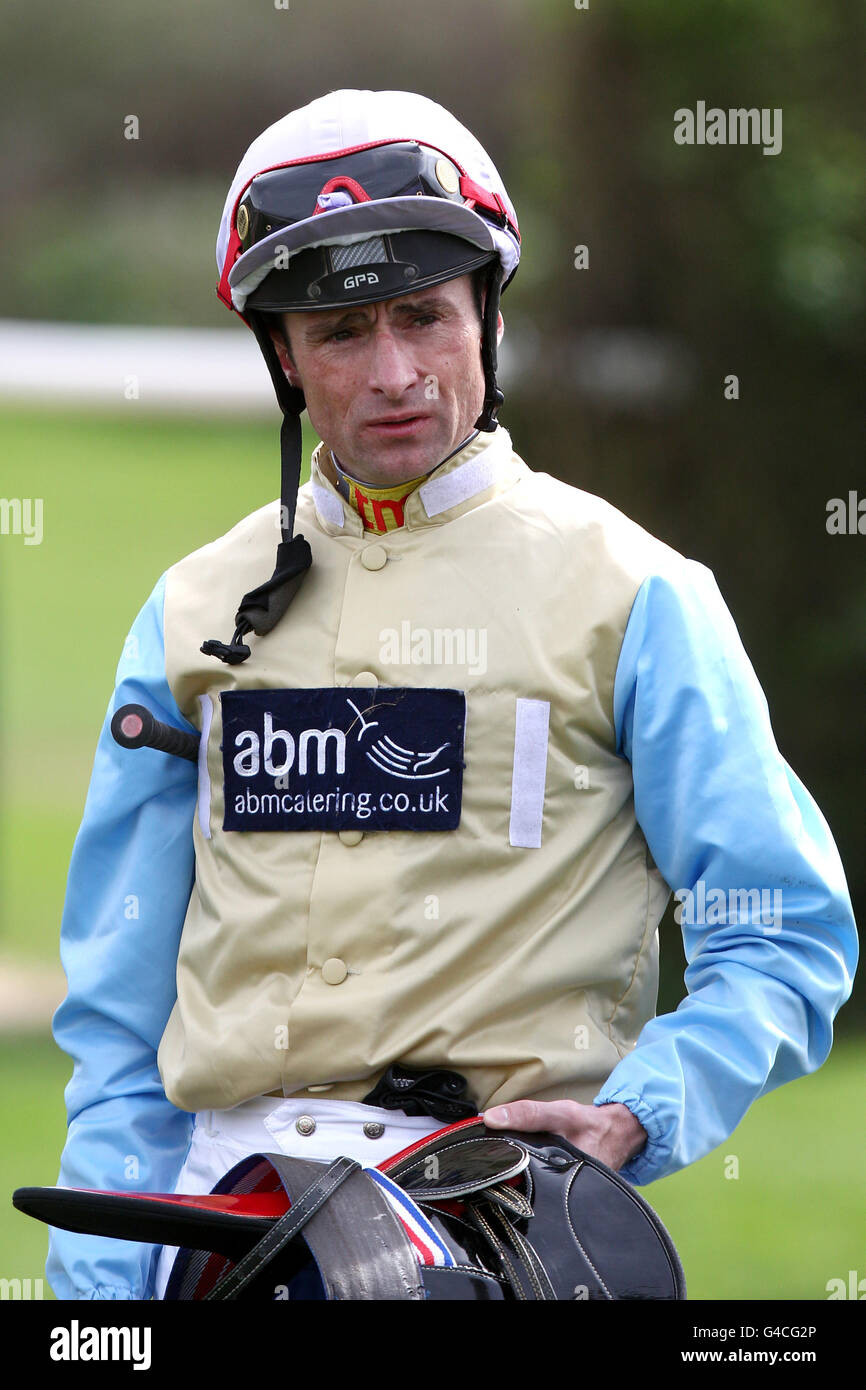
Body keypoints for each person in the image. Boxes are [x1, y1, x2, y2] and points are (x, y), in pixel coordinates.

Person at [47, 89, 857, 1301]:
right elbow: (117, 1019)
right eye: (338, 332)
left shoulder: (635, 591)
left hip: (499, 1228)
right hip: (222, 1237)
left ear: (484, 312)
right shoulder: (186, 610)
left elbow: (783, 930)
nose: (394, 374)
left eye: (424, 317)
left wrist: (640, 1113)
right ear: (281, 354)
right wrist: (99, 1295)